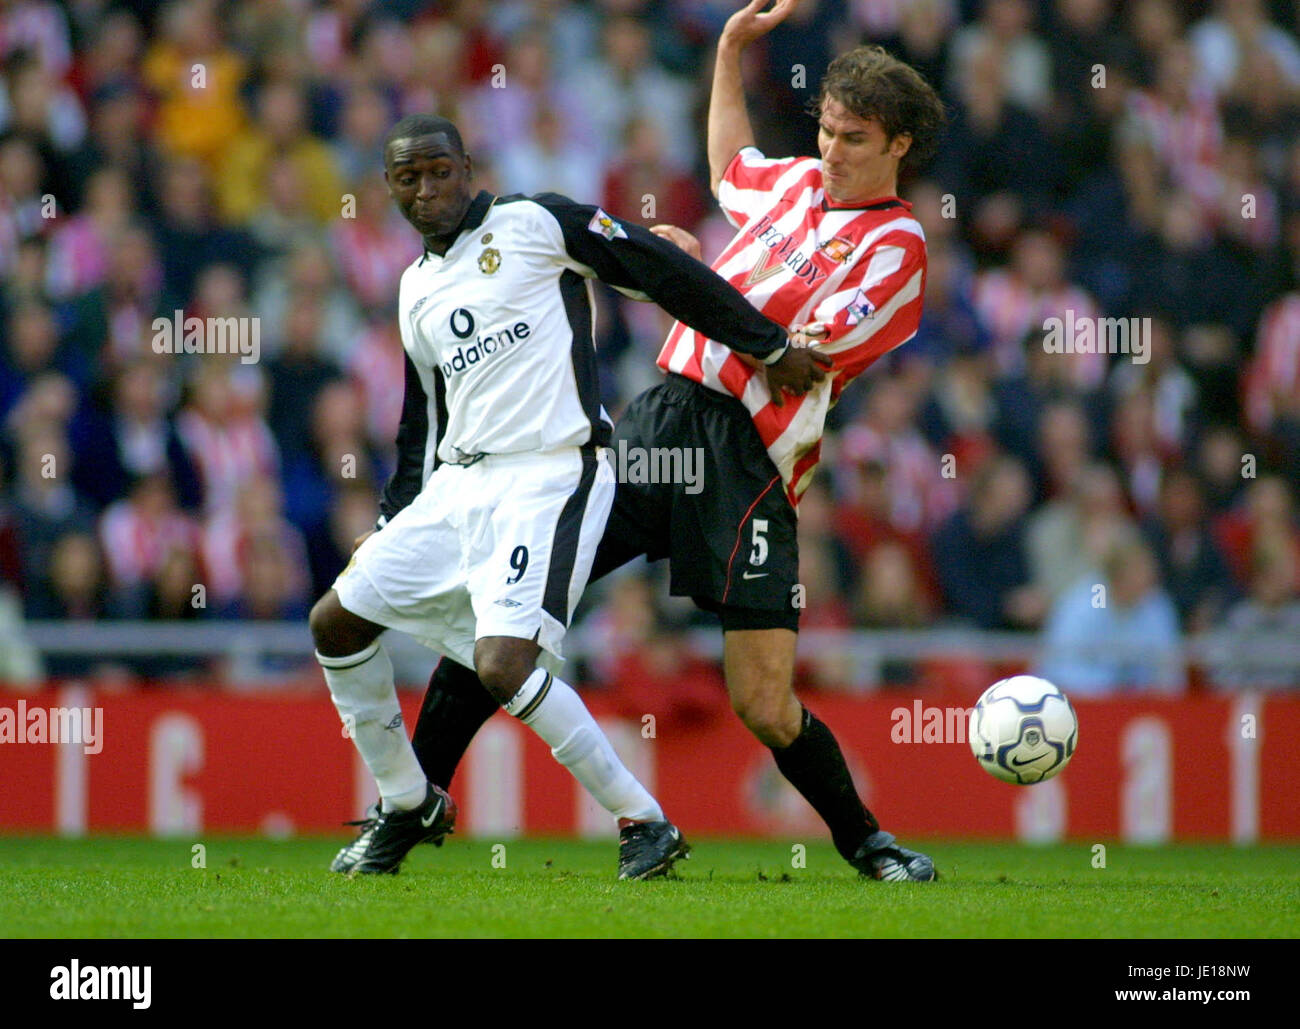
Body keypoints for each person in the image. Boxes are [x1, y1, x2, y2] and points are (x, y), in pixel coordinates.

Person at [389, 0, 948, 882]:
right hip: (659, 421)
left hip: (747, 462)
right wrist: (727, 51)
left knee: (763, 701)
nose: (831, 151)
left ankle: (868, 843)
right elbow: (732, 161)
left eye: (854, 138)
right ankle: (407, 811)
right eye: (828, 130)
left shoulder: (900, 246)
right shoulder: (795, 186)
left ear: (899, 147)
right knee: (505, 609)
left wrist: (686, 277)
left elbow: (799, 361)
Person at [309, 111, 828, 879]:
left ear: (468, 165)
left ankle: (644, 822)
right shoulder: (414, 288)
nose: (426, 190)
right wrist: (389, 522)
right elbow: (422, 424)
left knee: (502, 663)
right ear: (389, 189)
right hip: (460, 483)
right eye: (407, 178)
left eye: (439, 170)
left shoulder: (535, 223)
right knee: (336, 621)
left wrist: (768, 343)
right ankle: (407, 800)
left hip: (553, 470)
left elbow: (657, 265)